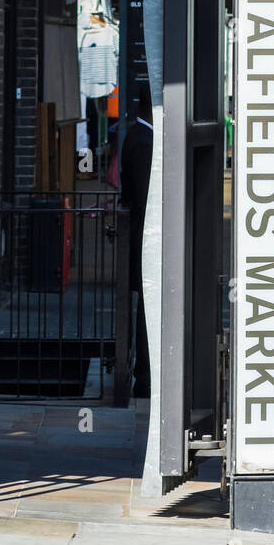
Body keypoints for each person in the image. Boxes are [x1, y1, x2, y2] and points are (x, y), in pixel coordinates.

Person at [120, 83, 153, 397]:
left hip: (141, 241)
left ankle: (145, 375)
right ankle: (145, 379)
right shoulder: (143, 142)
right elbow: (143, 200)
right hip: (145, 243)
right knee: (146, 311)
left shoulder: (137, 136)